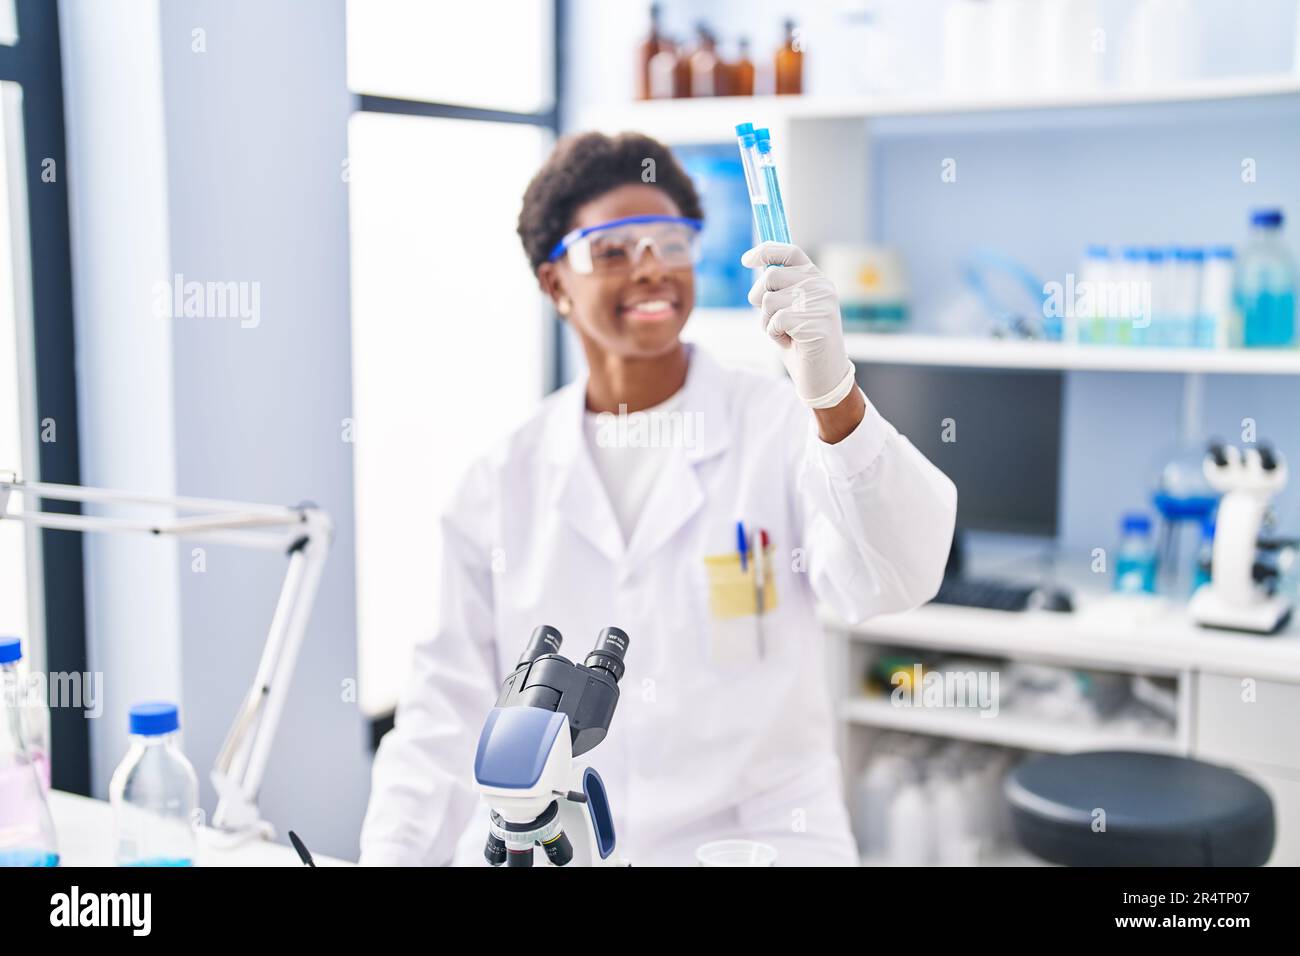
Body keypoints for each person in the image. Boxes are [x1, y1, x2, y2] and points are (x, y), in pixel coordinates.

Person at [360, 131, 956, 866]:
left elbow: (898, 576)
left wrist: (835, 397)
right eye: (612, 252)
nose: (651, 271)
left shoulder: (777, 425)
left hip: (756, 841)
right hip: (565, 844)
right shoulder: (498, 480)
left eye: (670, 244)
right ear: (555, 284)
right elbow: (440, 716)